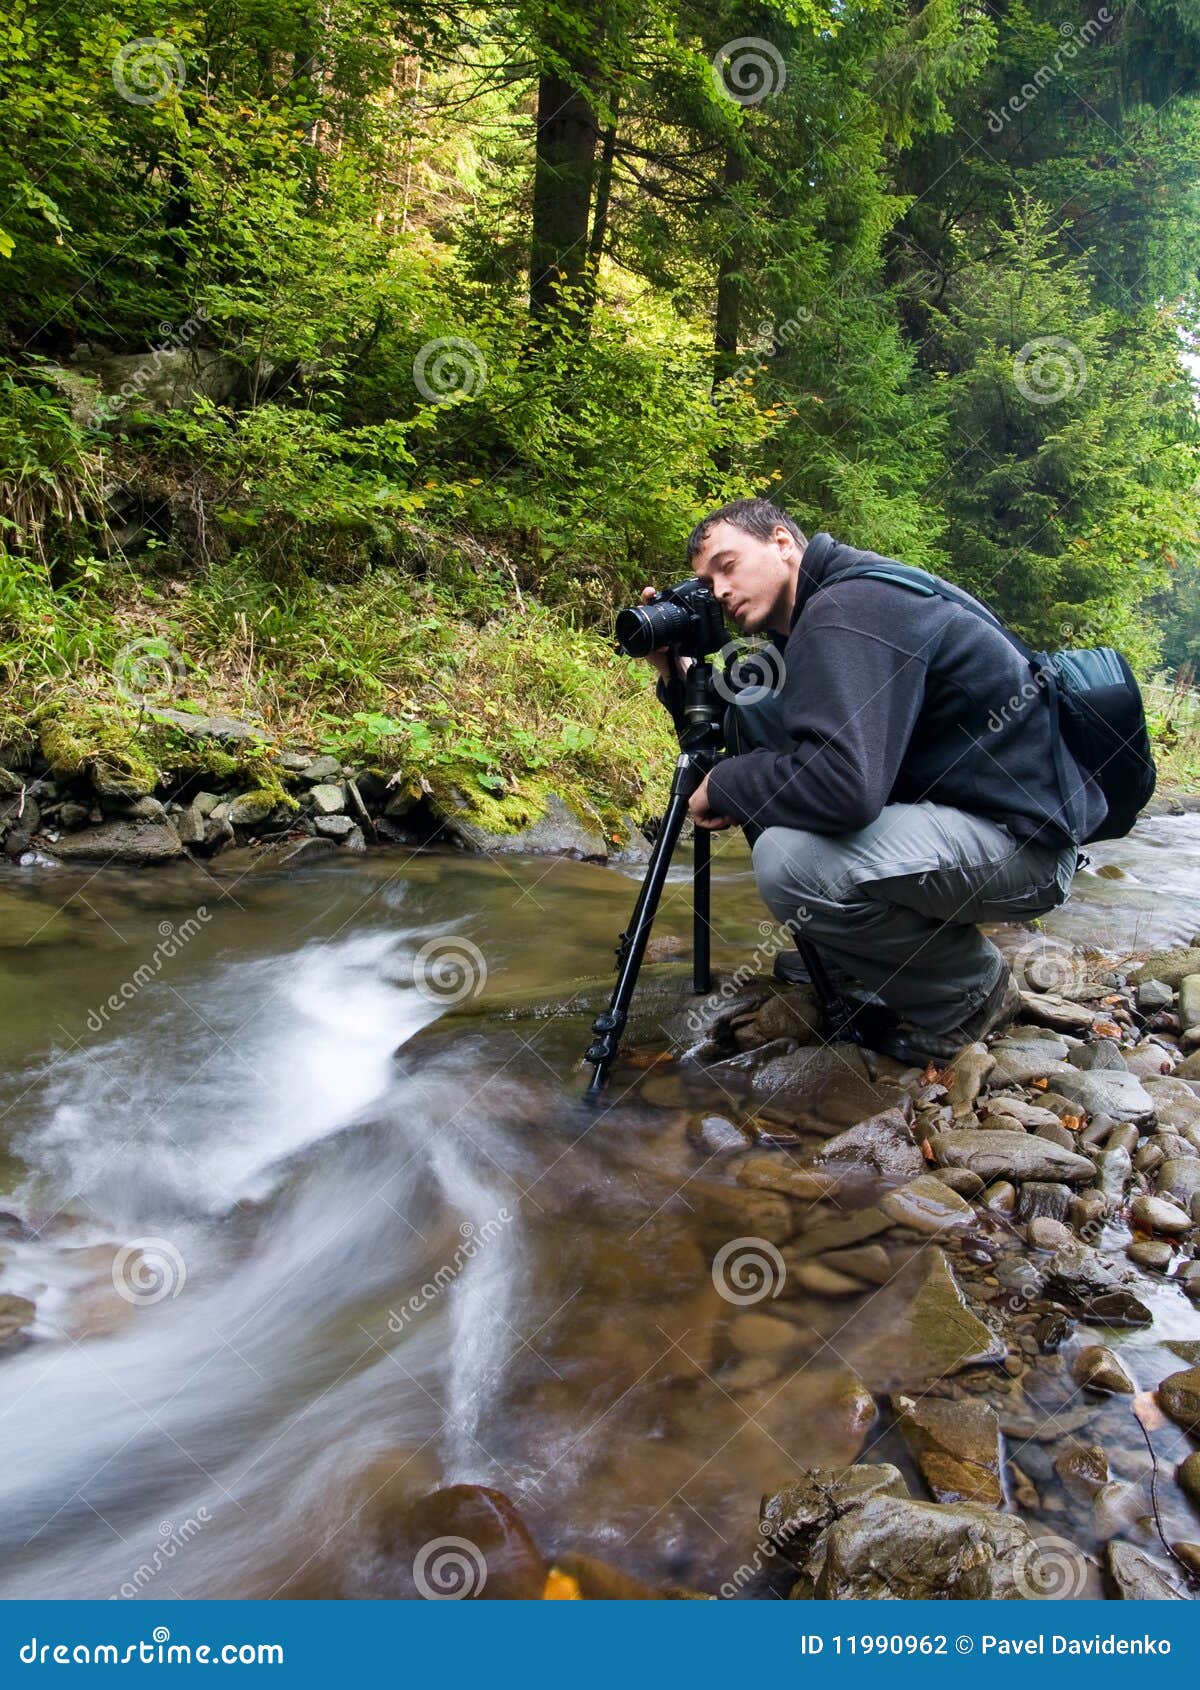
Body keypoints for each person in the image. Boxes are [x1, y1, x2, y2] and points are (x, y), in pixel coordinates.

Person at [642, 497, 1106, 1065]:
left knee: (791, 864)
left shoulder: (850, 607)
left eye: (728, 565)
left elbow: (843, 788)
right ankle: (853, 952)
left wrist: (728, 783)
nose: (717, 590)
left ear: (784, 544)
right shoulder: (830, 608)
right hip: (967, 825)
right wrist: (677, 675)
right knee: (762, 725)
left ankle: (971, 994)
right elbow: (747, 732)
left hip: (1024, 847)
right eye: (706, 581)